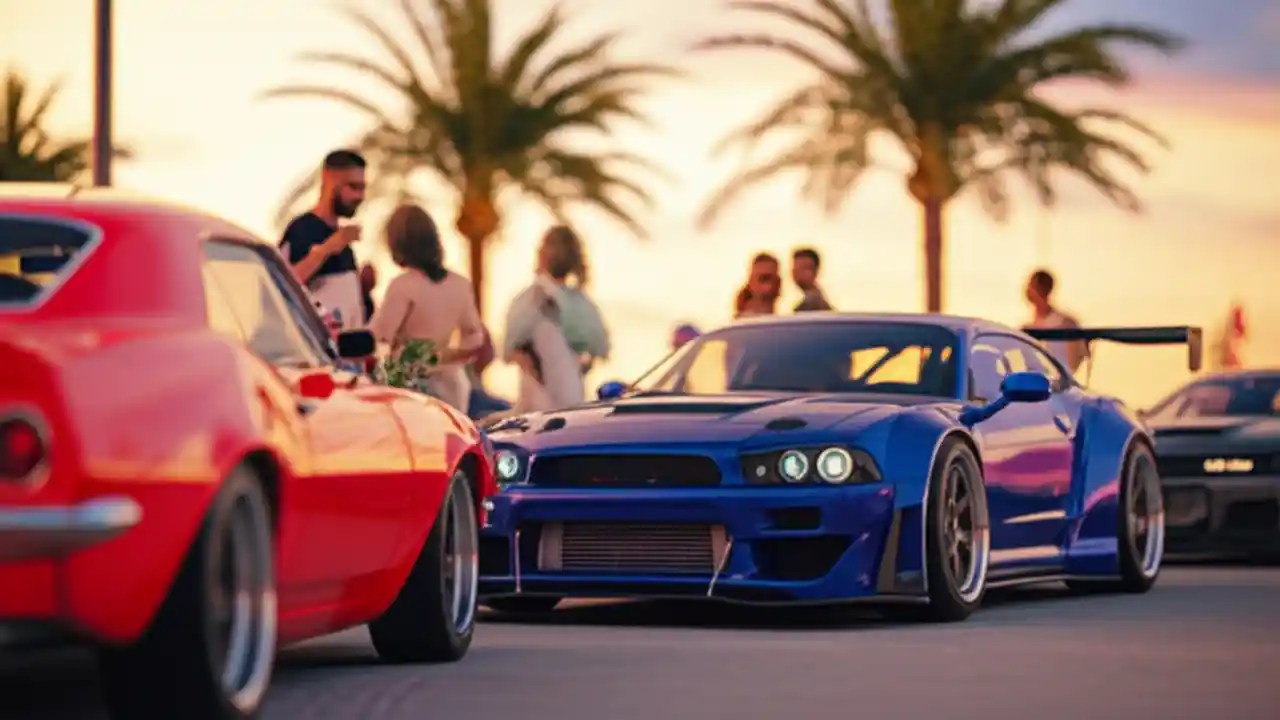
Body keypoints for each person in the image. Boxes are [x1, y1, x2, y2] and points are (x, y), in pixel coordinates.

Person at [368, 204, 484, 412]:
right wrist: (448, 356)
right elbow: (475, 337)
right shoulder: (460, 284)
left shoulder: (403, 286)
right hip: (453, 387)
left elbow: (379, 336)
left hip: (411, 387)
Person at [502, 226, 607, 412]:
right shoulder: (583, 304)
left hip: (538, 400)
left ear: (543, 255)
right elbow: (595, 352)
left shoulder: (533, 298)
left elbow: (514, 351)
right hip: (574, 399)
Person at [279, 149, 367, 330]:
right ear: (328, 180)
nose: (360, 197)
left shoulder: (343, 244)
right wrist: (326, 249)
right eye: (353, 187)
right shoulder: (301, 230)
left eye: (362, 188)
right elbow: (281, 284)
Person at [1024, 269, 1088, 373]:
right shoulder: (1027, 328)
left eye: (1029, 285)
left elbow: (1076, 360)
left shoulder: (1065, 323)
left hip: (1059, 385)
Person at [734, 252, 781, 318]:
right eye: (765, 278)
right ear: (751, 281)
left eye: (776, 279)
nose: (771, 284)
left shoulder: (787, 325)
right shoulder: (740, 326)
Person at [791, 247, 833, 312]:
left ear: (815, 271)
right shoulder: (805, 305)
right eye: (795, 268)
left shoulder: (816, 306)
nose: (797, 273)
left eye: (803, 268)